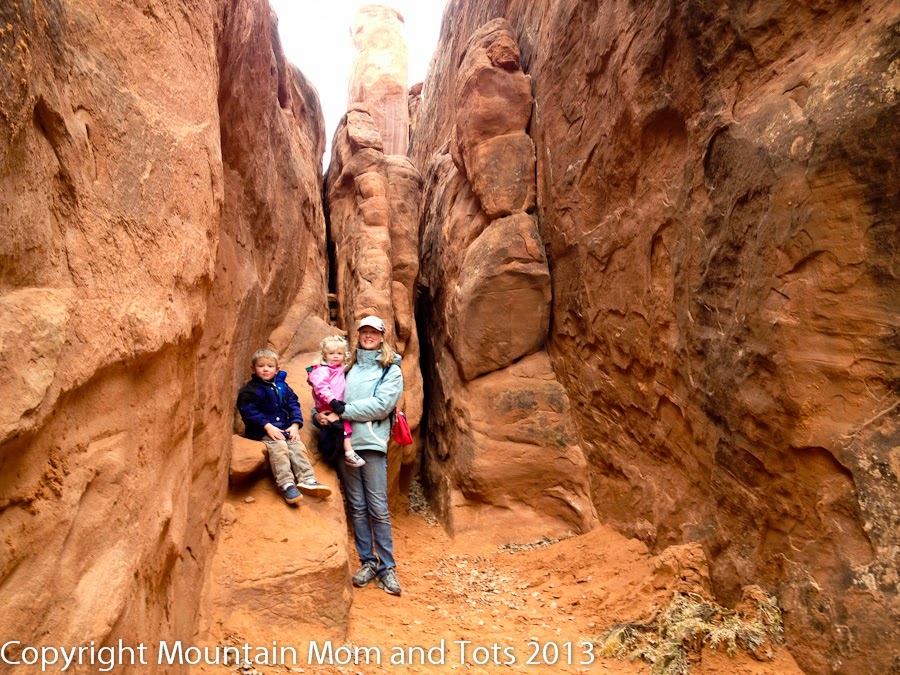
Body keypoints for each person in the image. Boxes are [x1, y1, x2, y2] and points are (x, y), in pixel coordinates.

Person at [316, 315, 404, 595]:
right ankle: (368, 562)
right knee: (357, 506)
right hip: (346, 443)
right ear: (358, 335)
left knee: (378, 508)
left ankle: (387, 568)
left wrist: (342, 411)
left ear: (382, 337)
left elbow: (381, 406)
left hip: (372, 443)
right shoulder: (348, 367)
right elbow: (329, 395)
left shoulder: (390, 370)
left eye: (373, 332)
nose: (368, 336)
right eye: (364, 331)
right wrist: (319, 415)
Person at [237, 348, 332, 504]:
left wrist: (295, 425)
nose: (266, 369)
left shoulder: (283, 387)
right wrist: (267, 426)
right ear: (253, 369)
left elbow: (293, 404)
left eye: (270, 366)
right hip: (263, 430)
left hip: (285, 428)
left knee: (297, 446)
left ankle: (307, 478)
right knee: (279, 447)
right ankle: (286, 484)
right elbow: (249, 412)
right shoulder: (250, 390)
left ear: (277, 369)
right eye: (261, 366)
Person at [306, 335, 367, 469]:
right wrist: (332, 401)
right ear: (324, 355)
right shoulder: (321, 370)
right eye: (331, 353)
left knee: (342, 427)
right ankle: (347, 453)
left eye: (339, 353)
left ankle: (346, 453)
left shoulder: (340, 368)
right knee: (337, 428)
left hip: (337, 404)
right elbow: (322, 388)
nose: (335, 356)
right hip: (328, 405)